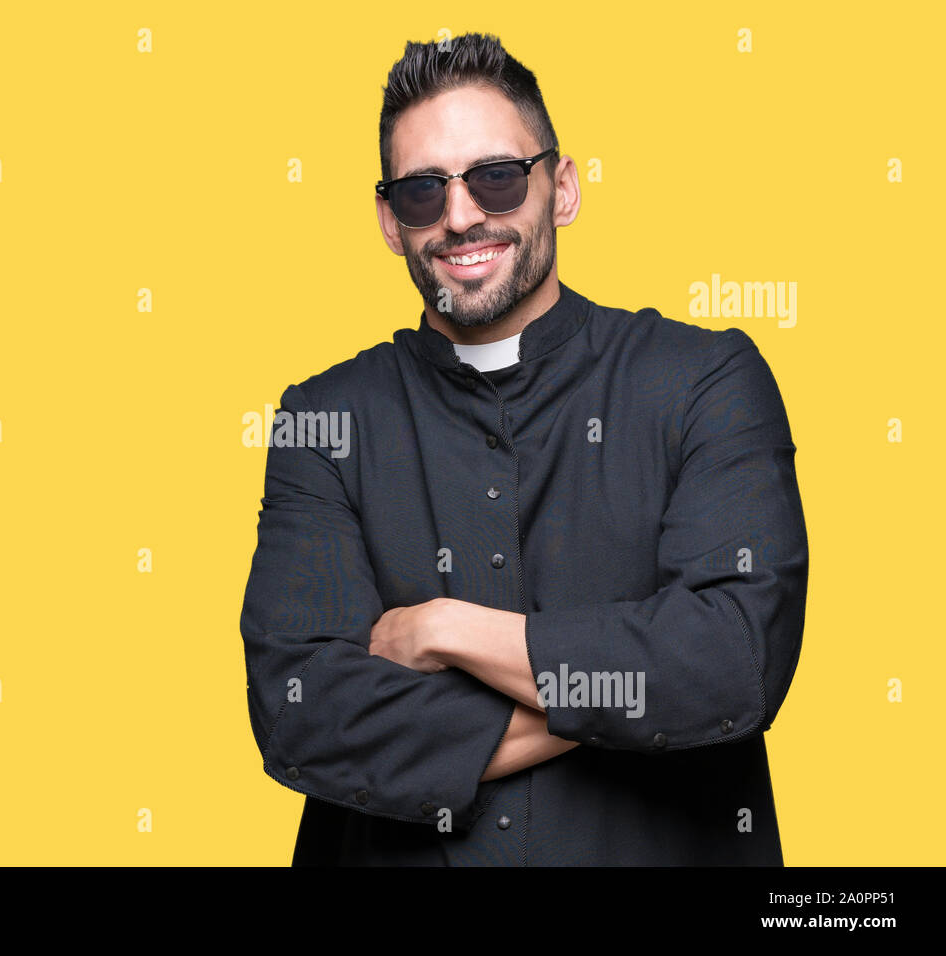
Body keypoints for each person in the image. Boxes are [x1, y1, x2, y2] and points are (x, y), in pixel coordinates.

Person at [239, 32, 808, 866]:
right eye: (423, 191)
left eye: (497, 177)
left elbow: (730, 661)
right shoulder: (321, 422)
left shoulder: (706, 382)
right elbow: (302, 712)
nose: (461, 215)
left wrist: (446, 630)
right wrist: (625, 694)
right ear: (390, 222)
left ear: (563, 188)